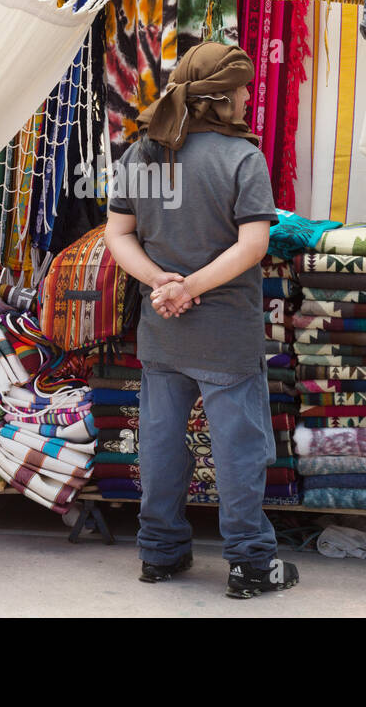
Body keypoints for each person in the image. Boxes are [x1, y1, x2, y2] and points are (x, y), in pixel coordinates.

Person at [104, 41, 299, 600]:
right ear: (221, 98)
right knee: (238, 448)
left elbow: (119, 235)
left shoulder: (144, 154)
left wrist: (162, 283)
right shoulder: (243, 159)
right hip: (225, 334)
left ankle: (159, 554)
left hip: (163, 329)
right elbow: (254, 245)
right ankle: (249, 565)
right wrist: (189, 286)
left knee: (161, 443)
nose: (247, 96)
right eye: (241, 88)